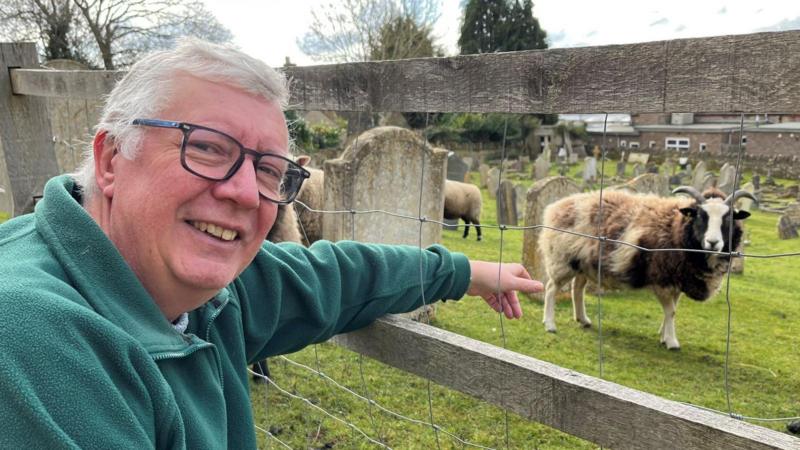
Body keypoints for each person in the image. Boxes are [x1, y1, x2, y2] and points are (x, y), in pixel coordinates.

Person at [0, 38, 543, 448]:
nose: (242, 191)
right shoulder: (32, 342)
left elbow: (335, 276)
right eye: (208, 148)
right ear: (111, 159)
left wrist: (463, 272)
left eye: (268, 168)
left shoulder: (201, 288)